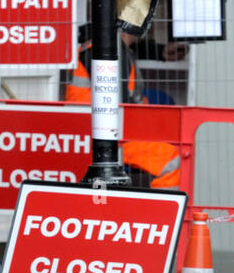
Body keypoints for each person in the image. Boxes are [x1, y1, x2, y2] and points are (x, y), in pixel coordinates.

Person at [64, 27, 183, 188]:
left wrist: (161, 51)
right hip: (103, 139)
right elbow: (122, 110)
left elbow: (139, 50)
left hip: (102, 132)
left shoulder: (108, 47)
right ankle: (166, 211)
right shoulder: (110, 53)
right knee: (172, 159)